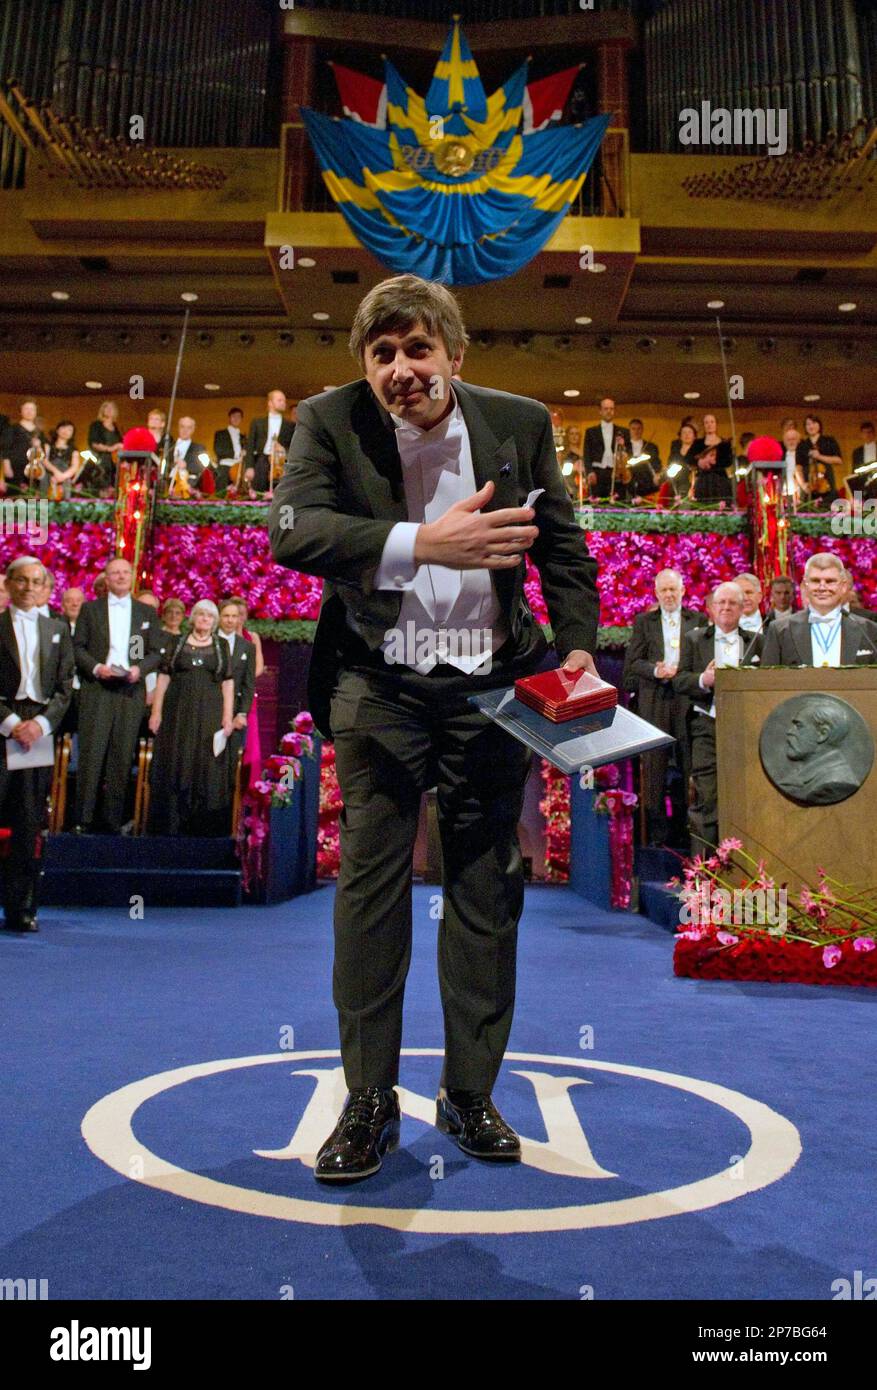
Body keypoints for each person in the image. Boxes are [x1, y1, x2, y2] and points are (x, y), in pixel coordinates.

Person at [269, 272, 600, 1182]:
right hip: (380, 687)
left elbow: (562, 547)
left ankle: (468, 1093)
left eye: (419, 349)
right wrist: (423, 543)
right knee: (370, 891)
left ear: (454, 352)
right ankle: (368, 1102)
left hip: (492, 689)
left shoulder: (520, 423)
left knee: (487, 888)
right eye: (382, 353)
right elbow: (292, 531)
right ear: (365, 367)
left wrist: (575, 647)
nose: (402, 368)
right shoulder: (327, 420)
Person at [0, 557, 74, 931]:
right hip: (4, 725)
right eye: (22, 581)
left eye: (36, 581)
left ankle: (21, 908)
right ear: (9, 585)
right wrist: (12, 723)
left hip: (38, 731)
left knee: (28, 822)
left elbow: (64, 690)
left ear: (47, 587)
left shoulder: (57, 629)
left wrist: (40, 724)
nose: (29, 588)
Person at [73, 557, 164, 833]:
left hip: (130, 691)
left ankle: (113, 821)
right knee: (91, 756)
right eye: (115, 573)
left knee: (121, 756)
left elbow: (155, 652)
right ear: (107, 579)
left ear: (132, 576)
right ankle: (83, 820)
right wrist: (97, 667)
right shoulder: (90, 610)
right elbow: (77, 648)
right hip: (97, 690)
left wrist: (139, 669)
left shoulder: (145, 613)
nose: (121, 577)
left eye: (126, 572)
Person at [673, 581, 764, 857]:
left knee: (746, 797)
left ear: (742, 608)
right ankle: (703, 873)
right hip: (706, 729)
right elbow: (679, 681)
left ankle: (745, 866)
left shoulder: (757, 640)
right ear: (711, 608)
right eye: (721, 603)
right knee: (706, 799)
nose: (726, 608)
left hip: (746, 730)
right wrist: (704, 679)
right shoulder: (694, 639)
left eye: (732, 603)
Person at [622, 569, 700, 845]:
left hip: (686, 698)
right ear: (656, 593)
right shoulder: (644, 622)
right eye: (663, 590)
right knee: (654, 768)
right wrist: (656, 670)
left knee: (690, 762)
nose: (668, 594)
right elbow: (633, 663)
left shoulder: (698, 621)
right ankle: (655, 838)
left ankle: (691, 834)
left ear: (682, 591)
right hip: (655, 698)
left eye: (673, 590)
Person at [148, 600, 234, 836]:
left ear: (214, 621)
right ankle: (171, 823)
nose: (205, 619)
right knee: (176, 758)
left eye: (209, 616)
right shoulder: (177, 643)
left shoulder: (221, 645)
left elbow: (228, 682)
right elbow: (163, 678)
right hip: (177, 714)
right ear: (193, 617)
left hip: (209, 714)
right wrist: (156, 712)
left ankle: (199, 824)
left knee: (203, 762)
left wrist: (227, 716)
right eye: (201, 614)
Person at [762, 552, 877, 668]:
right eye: (816, 581)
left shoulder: (869, 630)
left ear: (843, 587)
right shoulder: (780, 630)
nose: (822, 587)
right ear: (805, 586)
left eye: (830, 581)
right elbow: (766, 681)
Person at [217, 599, 256, 803]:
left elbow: (249, 684)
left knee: (230, 764)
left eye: (235, 616)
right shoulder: (210, 640)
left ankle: (225, 812)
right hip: (210, 710)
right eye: (226, 616)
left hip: (235, 716)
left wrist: (242, 713)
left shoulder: (247, 647)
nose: (231, 620)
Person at [246, 390, 295, 494]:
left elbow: (294, 447)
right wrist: (249, 467)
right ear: (270, 403)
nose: (283, 403)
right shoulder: (257, 422)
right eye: (279, 400)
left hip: (281, 464)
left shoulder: (290, 425)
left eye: (284, 401)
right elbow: (250, 446)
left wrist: (283, 450)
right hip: (261, 461)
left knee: (280, 494)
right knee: (258, 493)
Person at [584, 397, 630, 500]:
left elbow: (629, 453)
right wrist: (589, 472)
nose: (609, 411)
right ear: (600, 411)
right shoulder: (591, 432)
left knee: (617, 503)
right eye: (606, 409)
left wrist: (623, 446)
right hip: (597, 472)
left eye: (611, 409)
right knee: (596, 503)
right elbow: (586, 454)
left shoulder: (623, 432)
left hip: (616, 473)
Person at [1, 399, 48, 493]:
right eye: (26, 408)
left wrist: (38, 446)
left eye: (32, 409)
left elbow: (43, 454)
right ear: (21, 411)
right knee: (14, 497)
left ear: (36, 412)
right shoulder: (12, 428)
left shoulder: (39, 432)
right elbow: (4, 449)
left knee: (32, 498)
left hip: (34, 469)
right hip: (15, 468)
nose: (29, 412)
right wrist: (7, 467)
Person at [796, 414, 842, 507]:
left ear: (819, 425)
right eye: (808, 424)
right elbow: (798, 467)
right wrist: (803, 485)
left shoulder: (829, 440)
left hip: (826, 484)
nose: (811, 426)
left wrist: (819, 456)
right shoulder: (802, 444)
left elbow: (838, 460)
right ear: (805, 427)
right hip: (808, 485)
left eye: (814, 423)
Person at [58, 586, 85, 735]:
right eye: (69, 601)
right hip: (59, 691)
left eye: (78, 601)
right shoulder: (55, 627)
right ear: (62, 605)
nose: (74, 604)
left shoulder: (92, 629)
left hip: (82, 692)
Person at [166, 416, 210, 496]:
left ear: (193, 430)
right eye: (182, 427)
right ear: (178, 428)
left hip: (189, 484)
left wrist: (186, 465)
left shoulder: (199, 448)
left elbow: (204, 466)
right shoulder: (169, 447)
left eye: (189, 428)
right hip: (168, 482)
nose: (185, 430)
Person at [86, 401, 122, 491]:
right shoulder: (96, 425)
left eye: (111, 408)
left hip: (113, 462)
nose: (109, 410)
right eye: (106, 407)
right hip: (100, 461)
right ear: (102, 410)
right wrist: (110, 448)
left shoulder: (117, 428)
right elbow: (94, 443)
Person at [44, 421, 81, 499]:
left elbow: (74, 467)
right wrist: (56, 472)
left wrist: (62, 477)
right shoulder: (48, 445)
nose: (66, 431)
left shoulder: (74, 450)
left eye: (69, 430)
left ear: (72, 434)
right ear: (57, 430)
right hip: (48, 477)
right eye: (63, 428)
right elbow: (45, 461)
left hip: (65, 479)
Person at [627, 418, 661, 499]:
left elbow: (656, 463)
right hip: (629, 480)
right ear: (629, 430)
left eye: (639, 429)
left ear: (642, 430)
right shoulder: (624, 446)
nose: (636, 431)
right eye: (633, 429)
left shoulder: (651, 447)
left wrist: (657, 474)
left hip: (646, 481)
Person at [213, 407, 246, 492]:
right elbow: (218, 450)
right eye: (234, 416)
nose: (236, 419)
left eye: (239, 417)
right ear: (229, 418)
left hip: (239, 466)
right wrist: (237, 454)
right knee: (222, 485)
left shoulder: (243, 437)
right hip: (225, 464)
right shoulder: (220, 434)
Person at [667, 422, 698, 498]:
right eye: (684, 432)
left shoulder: (698, 451)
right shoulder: (675, 451)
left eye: (689, 432)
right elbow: (669, 464)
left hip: (692, 484)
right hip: (675, 483)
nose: (686, 435)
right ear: (680, 436)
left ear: (694, 436)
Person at [850, 421, 877, 500]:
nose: (867, 435)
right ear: (861, 435)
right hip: (862, 486)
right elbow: (854, 473)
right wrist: (855, 495)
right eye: (865, 432)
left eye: (869, 432)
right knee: (861, 511)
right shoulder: (856, 452)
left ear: (874, 433)